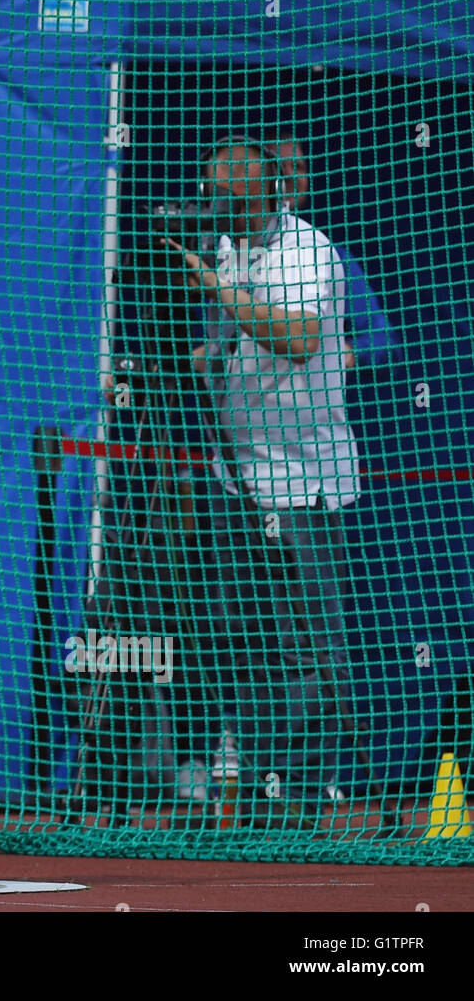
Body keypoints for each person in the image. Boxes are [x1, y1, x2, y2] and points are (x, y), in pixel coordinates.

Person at [162, 137, 362, 828]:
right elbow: (228, 342)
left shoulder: (306, 249)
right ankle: (257, 786)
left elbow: (303, 339)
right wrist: (201, 354)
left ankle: (304, 800)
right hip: (235, 477)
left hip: (302, 480)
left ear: (264, 191)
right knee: (241, 637)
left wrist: (221, 292)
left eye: (227, 188)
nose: (214, 198)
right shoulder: (225, 250)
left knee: (306, 646)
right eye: (210, 184)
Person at [266, 132, 398, 371]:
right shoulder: (235, 254)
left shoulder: (331, 255)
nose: (290, 174)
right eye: (279, 165)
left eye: (298, 166)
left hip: (311, 404)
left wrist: (348, 353)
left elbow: (383, 339)